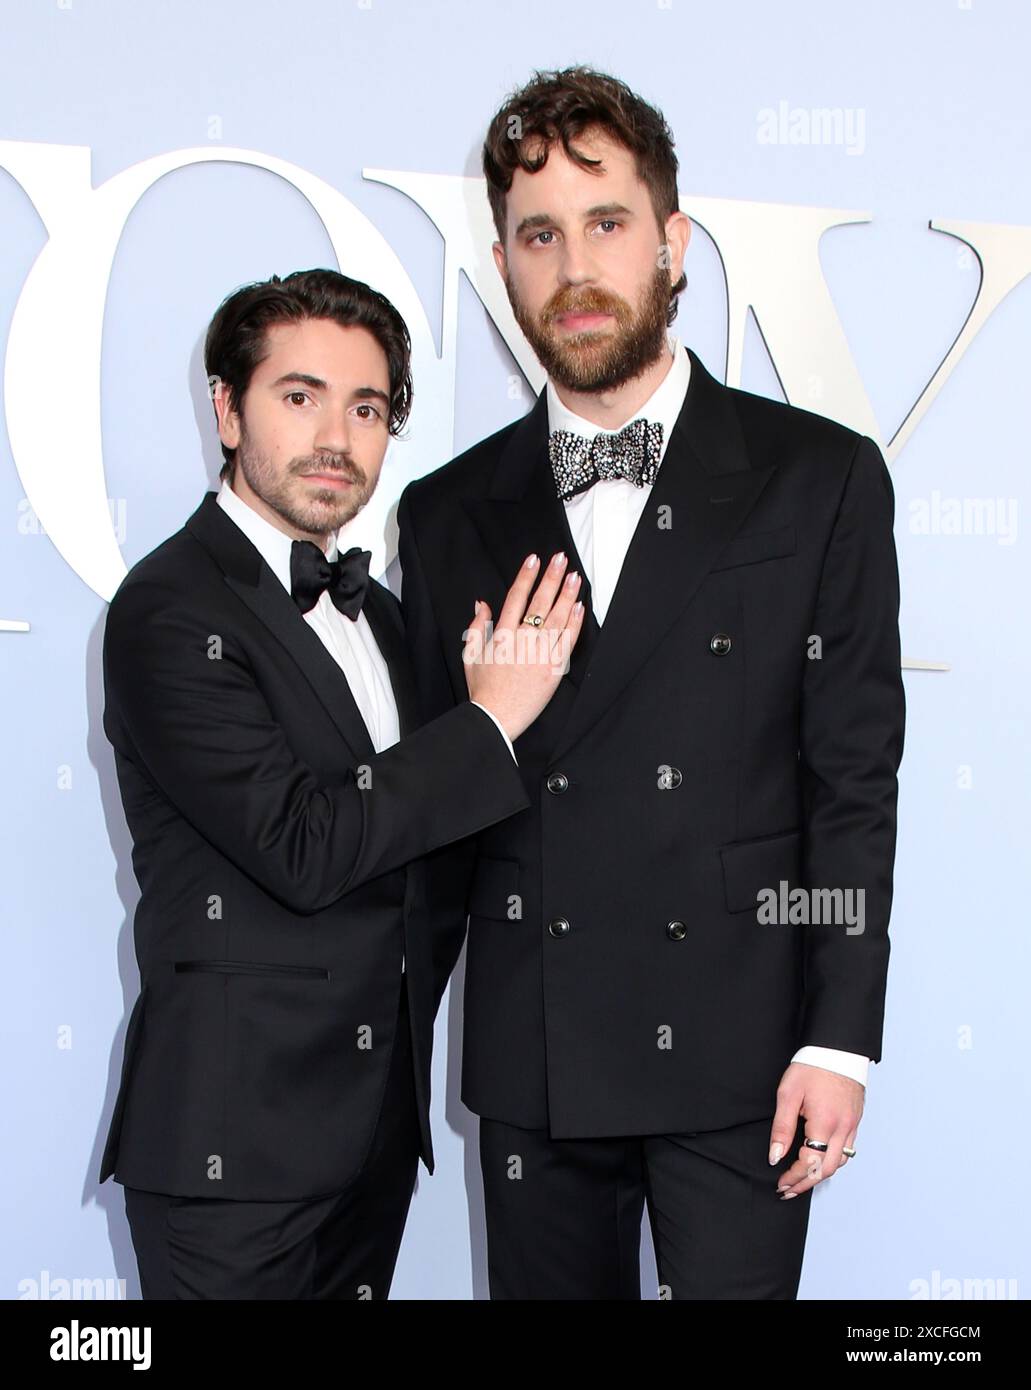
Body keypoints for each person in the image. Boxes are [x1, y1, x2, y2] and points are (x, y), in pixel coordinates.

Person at [397, 68, 905, 1299]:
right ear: (505, 264)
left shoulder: (818, 478)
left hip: (743, 1045)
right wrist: (383, 1052)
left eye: (606, 223)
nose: (572, 265)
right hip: (537, 1046)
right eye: (537, 235)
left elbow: (849, 780)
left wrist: (839, 1034)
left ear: (672, 243)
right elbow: (435, 826)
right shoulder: (447, 509)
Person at [99, 267, 584, 1299]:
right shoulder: (169, 609)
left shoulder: (393, 622)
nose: (335, 437)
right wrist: (491, 716)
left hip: (369, 1143)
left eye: (365, 408)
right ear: (227, 410)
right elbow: (305, 844)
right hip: (231, 1156)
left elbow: (432, 862)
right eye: (298, 396)